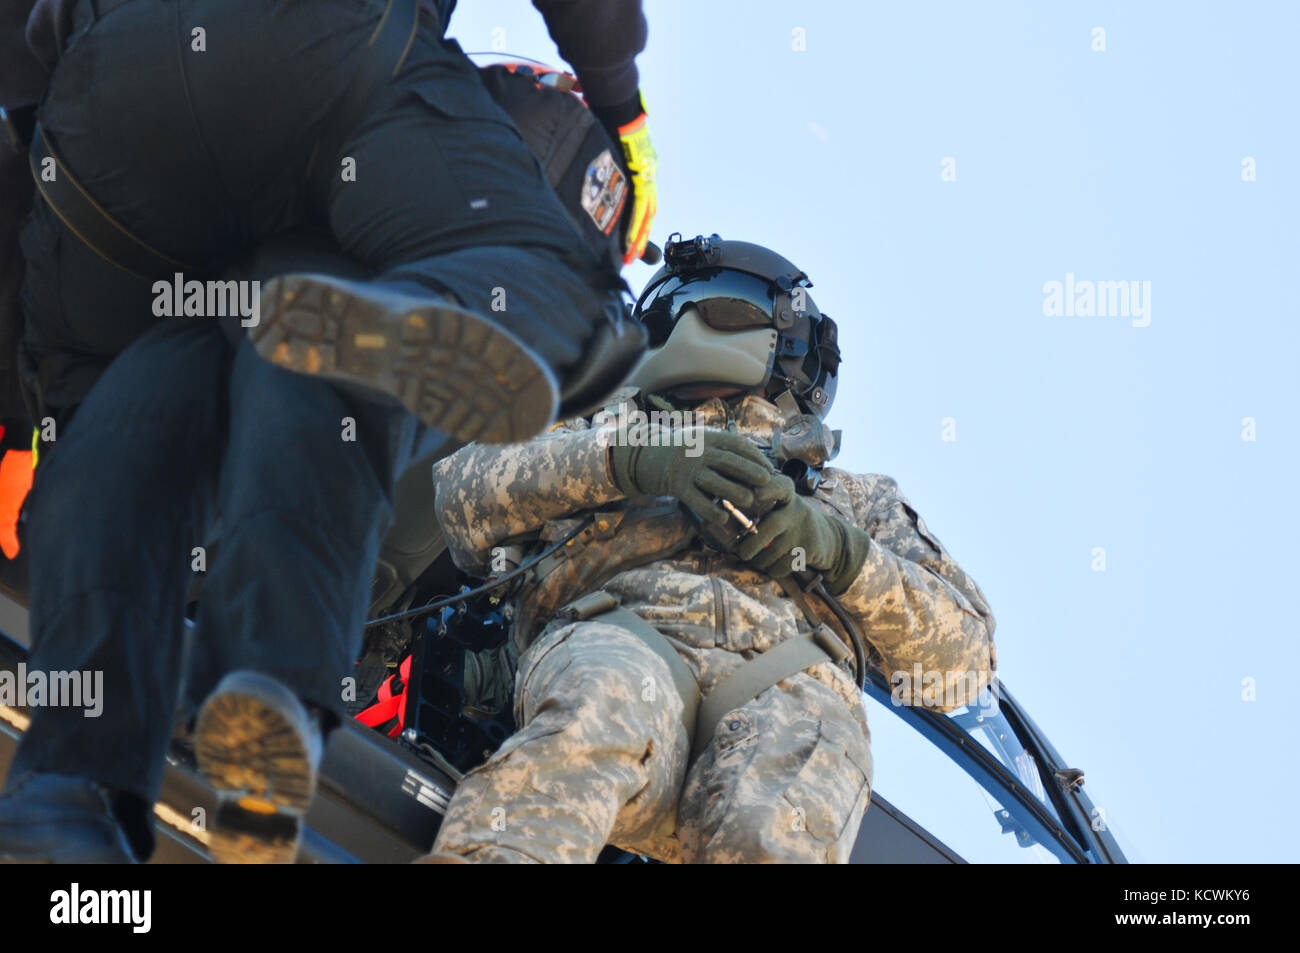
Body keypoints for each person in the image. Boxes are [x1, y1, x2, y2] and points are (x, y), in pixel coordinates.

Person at [0, 0, 655, 864]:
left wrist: (24, 423)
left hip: (100, 149)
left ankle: (73, 788)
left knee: (136, 434)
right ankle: (267, 679)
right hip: (333, 72)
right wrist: (620, 100)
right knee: (557, 305)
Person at [420, 234, 998, 863]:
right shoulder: (595, 425)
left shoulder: (854, 496)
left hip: (794, 678)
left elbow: (962, 664)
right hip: (620, 632)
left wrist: (834, 548)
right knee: (583, 736)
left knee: (773, 837)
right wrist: (631, 461)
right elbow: (462, 497)